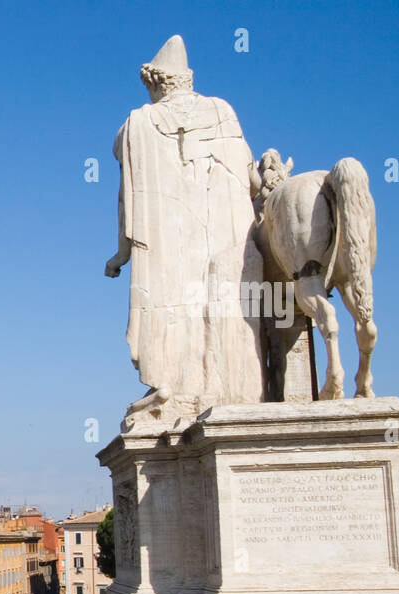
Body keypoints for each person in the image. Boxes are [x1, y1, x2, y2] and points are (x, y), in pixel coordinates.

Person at [104, 35, 265, 426]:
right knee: (229, 307)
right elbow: (252, 180)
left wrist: (122, 253)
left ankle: (173, 390)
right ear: (187, 79)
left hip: (167, 249)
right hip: (229, 243)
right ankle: (235, 390)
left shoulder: (139, 122)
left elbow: (128, 200)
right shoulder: (221, 110)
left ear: (156, 84)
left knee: (172, 310)